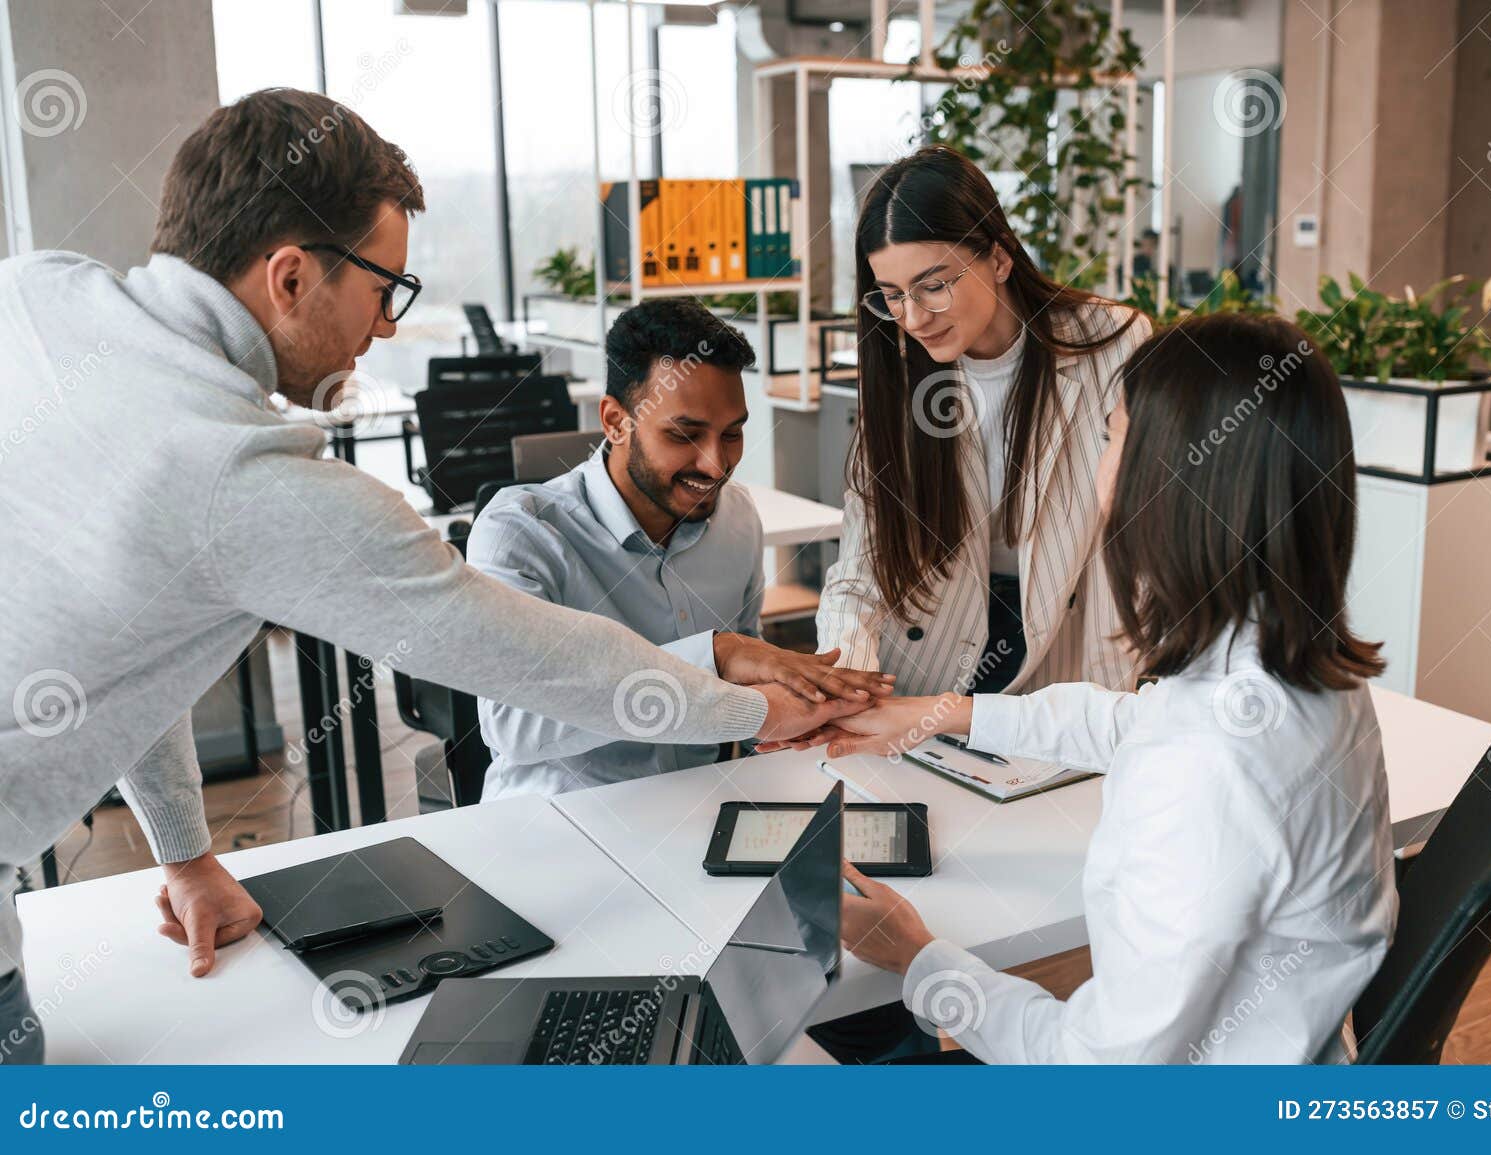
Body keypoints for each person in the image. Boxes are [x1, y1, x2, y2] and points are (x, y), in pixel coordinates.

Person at [0, 89, 859, 1060]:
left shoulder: (35, 291)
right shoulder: (242, 475)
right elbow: (531, 658)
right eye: (383, 290)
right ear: (289, 276)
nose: (387, 329)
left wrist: (189, 855)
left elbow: (124, 632)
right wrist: (756, 708)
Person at [778, 313, 1399, 1063]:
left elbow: (1097, 1067)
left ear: (1168, 477)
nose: (1098, 466)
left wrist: (917, 957)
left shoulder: (1206, 766)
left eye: (1110, 435)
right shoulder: (1292, 667)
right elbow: (1127, 724)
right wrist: (940, 712)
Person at [470, 298, 892, 799]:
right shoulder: (522, 531)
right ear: (614, 421)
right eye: (684, 435)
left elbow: (739, 692)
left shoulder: (737, 520)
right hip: (562, 823)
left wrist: (805, 708)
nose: (716, 465)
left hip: (703, 807)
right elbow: (512, 724)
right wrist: (716, 653)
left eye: (732, 434)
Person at [817, 145, 1151, 701]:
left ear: (999, 259)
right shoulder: (897, 375)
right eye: (893, 296)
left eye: (934, 285)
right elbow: (862, 565)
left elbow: (1138, 545)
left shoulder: (1112, 343)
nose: (915, 318)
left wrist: (1116, 704)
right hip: (929, 662)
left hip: (1067, 652)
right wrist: (845, 680)